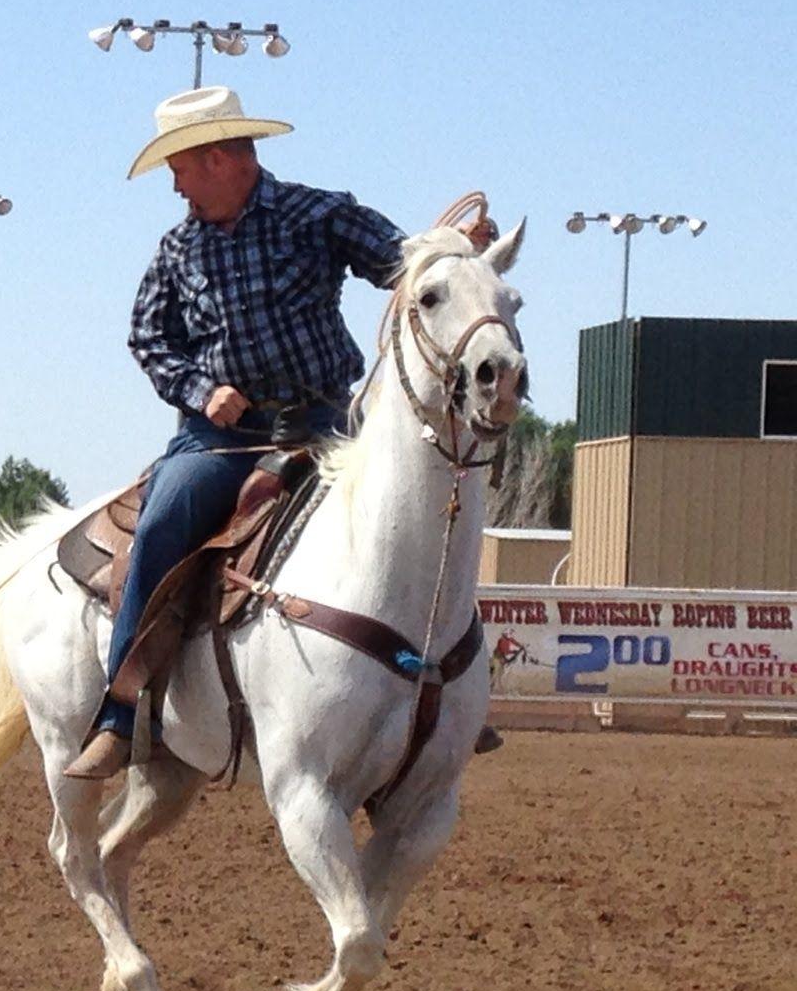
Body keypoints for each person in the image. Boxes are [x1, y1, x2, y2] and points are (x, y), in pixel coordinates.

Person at [66, 87, 496, 779]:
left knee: (415, 512)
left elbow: (403, 263)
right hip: (219, 442)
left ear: (216, 159)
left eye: (178, 167)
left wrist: (451, 258)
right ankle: (121, 711)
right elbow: (149, 338)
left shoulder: (316, 214)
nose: (174, 185)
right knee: (163, 522)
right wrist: (204, 391)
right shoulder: (178, 249)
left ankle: (452, 691)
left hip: (326, 424)